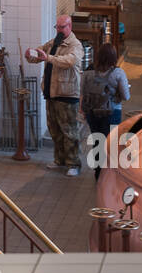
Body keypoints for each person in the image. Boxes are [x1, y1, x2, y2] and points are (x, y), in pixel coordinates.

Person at [26, 16, 86, 176]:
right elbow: (40, 54)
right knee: (55, 130)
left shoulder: (75, 45)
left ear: (70, 26)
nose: (59, 30)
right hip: (51, 93)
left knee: (69, 132)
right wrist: (30, 55)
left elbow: (69, 61)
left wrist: (49, 58)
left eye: (62, 27)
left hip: (67, 94)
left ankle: (74, 163)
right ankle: (59, 159)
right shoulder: (53, 43)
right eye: (57, 27)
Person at [80, 42, 129, 181]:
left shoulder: (88, 71)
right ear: (114, 57)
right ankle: (108, 176)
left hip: (92, 112)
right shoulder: (118, 73)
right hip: (112, 112)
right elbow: (126, 96)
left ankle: (98, 173)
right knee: (110, 144)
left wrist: (81, 110)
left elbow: (82, 91)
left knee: (97, 140)